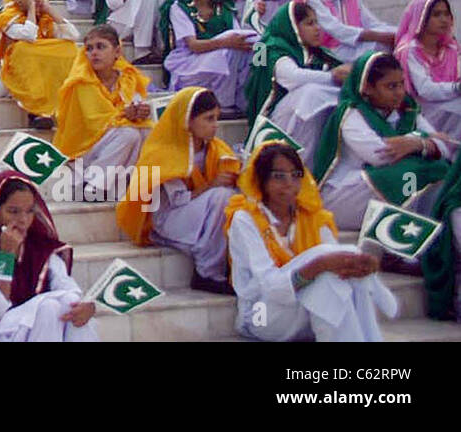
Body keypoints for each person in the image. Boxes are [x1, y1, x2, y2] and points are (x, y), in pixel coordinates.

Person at [225, 142, 396, 341]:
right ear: (262, 181)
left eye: (296, 175)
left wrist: (357, 266)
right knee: (326, 265)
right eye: (278, 176)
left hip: (306, 310)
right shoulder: (245, 219)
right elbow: (270, 286)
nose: (289, 183)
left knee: (331, 279)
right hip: (261, 315)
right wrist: (320, 265)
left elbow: (338, 266)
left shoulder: (312, 216)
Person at [0, 172, 98, 342]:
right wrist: (6, 256)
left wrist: (87, 307)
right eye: (13, 211)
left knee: (69, 305)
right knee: (49, 308)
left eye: (29, 211)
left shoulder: (40, 246)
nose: (23, 219)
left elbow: (67, 287)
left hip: (41, 330)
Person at [116, 87, 240, 294]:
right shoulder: (163, 151)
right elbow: (179, 200)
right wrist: (213, 185)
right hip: (167, 218)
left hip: (195, 213)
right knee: (223, 196)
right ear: (187, 121)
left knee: (235, 198)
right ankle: (207, 272)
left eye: (216, 119)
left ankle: (216, 262)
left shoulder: (216, 148)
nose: (215, 126)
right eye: (208, 119)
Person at [313, 52, 454, 230]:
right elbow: (381, 155)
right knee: (409, 170)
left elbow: (445, 147)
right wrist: (424, 142)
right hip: (345, 195)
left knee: (440, 167)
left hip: (380, 188)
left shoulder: (406, 110)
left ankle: (423, 232)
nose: (399, 93)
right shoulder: (351, 114)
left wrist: (416, 143)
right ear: (368, 88)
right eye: (391, 86)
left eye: (401, 84)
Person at [55, 25, 155, 201]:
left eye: (100, 47)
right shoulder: (81, 82)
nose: (94, 53)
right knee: (128, 134)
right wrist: (126, 114)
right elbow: (95, 121)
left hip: (110, 144)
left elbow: (134, 104)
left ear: (117, 52)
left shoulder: (127, 78)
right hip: (83, 148)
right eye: (89, 49)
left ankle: (127, 188)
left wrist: (141, 112)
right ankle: (92, 185)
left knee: (146, 130)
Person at [244, 2, 348, 161]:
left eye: (317, 23)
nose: (317, 28)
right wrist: (333, 76)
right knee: (311, 93)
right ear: (292, 26)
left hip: (303, 115)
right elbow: (292, 78)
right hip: (275, 120)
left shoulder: (317, 54)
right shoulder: (270, 47)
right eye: (309, 23)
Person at [158, 0, 258, 112]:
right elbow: (193, 46)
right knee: (229, 47)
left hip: (221, 58)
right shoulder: (179, 7)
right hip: (190, 65)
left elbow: (238, 38)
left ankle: (248, 97)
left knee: (256, 43)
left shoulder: (224, 8)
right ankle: (224, 103)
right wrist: (224, 43)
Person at [0, 0, 80, 118]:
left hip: (44, 76)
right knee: (23, 48)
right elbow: (28, 35)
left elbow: (73, 36)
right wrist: (30, 10)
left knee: (69, 48)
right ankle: (36, 112)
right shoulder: (7, 17)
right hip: (13, 76)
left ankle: (63, 105)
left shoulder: (45, 18)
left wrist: (50, 10)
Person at [395, 0, 461, 138]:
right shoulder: (409, 50)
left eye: (446, 14)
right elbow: (425, 90)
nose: (444, 20)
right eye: (436, 15)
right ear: (421, 18)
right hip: (421, 110)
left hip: (450, 101)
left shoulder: (451, 47)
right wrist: (457, 88)